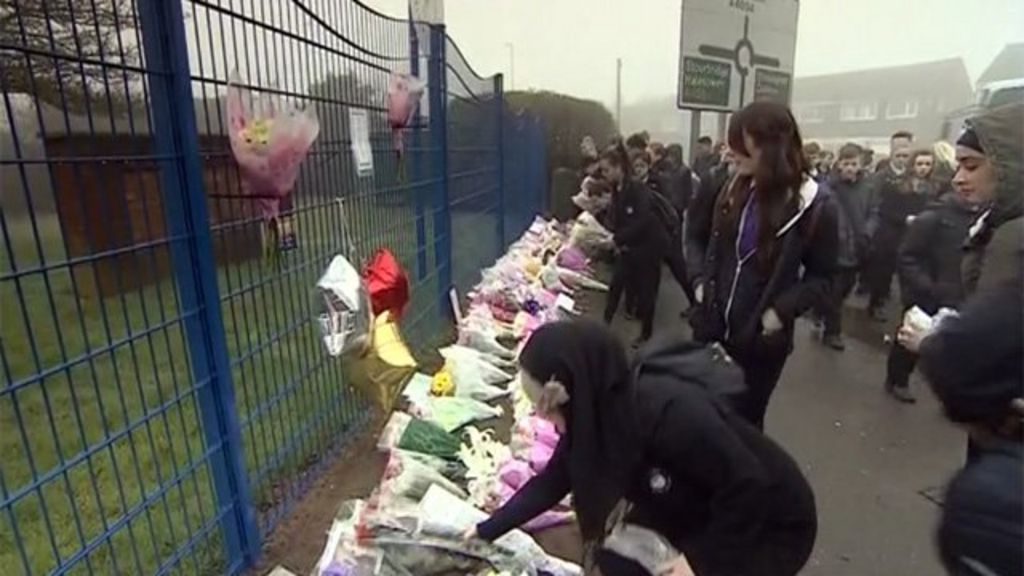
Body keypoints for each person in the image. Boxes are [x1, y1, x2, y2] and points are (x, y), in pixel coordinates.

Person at [470, 320, 818, 576]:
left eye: (542, 406)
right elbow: (554, 479)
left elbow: (747, 482)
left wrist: (699, 562)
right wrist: (486, 530)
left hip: (769, 519)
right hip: (693, 496)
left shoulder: (665, 411)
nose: (541, 416)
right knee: (617, 562)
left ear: (565, 388)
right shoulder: (597, 412)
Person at [897, 102, 1022, 576]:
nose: (959, 178)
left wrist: (933, 341)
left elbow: (975, 358)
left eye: (972, 165)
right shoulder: (998, 224)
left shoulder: (1014, 236)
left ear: (1011, 165)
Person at [686, 101, 839, 429]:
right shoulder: (725, 185)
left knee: (743, 427)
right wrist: (699, 282)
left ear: (773, 147)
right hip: (710, 329)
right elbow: (694, 237)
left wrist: (780, 312)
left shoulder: (815, 205)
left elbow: (824, 277)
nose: (730, 152)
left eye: (741, 145)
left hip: (760, 345)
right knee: (701, 417)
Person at [883, 174, 980, 402]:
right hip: (928, 293)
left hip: (962, 294)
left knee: (952, 343)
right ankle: (898, 379)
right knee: (910, 337)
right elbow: (907, 256)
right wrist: (926, 285)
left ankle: (948, 390)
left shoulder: (983, 222)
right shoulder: (934, 217)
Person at [602, 144, 669, 345]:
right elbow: (618, 217)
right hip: (628, 248)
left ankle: (646, 334)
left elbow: (643, 221)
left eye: (606, 170)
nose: (604, 175)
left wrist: (616, 238)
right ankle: (603, 327)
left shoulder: (637, 189)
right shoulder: (617, 188)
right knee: (615, 287)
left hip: (648, 249)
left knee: (647, 292)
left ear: (618, 167)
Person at [817, 143, 872, 351]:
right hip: (834, 247)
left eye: (854, 163)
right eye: (846, 163)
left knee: (845, 288)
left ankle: (821, 310)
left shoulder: (867, 188)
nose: (850, 168)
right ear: (839, 164)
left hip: (857, 247)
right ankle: (833, 332)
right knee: (835, 291)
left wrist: (868, 231)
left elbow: (874, 211)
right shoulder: (829, 188)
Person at [865, 130, 921, 321]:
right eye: (898, 154)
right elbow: (874, 204)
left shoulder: (913, 178)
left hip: (907, 231)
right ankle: (876, 302)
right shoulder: (880, 177)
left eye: (906, 155)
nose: (902, 159)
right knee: (882, 268)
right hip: (885, 230)